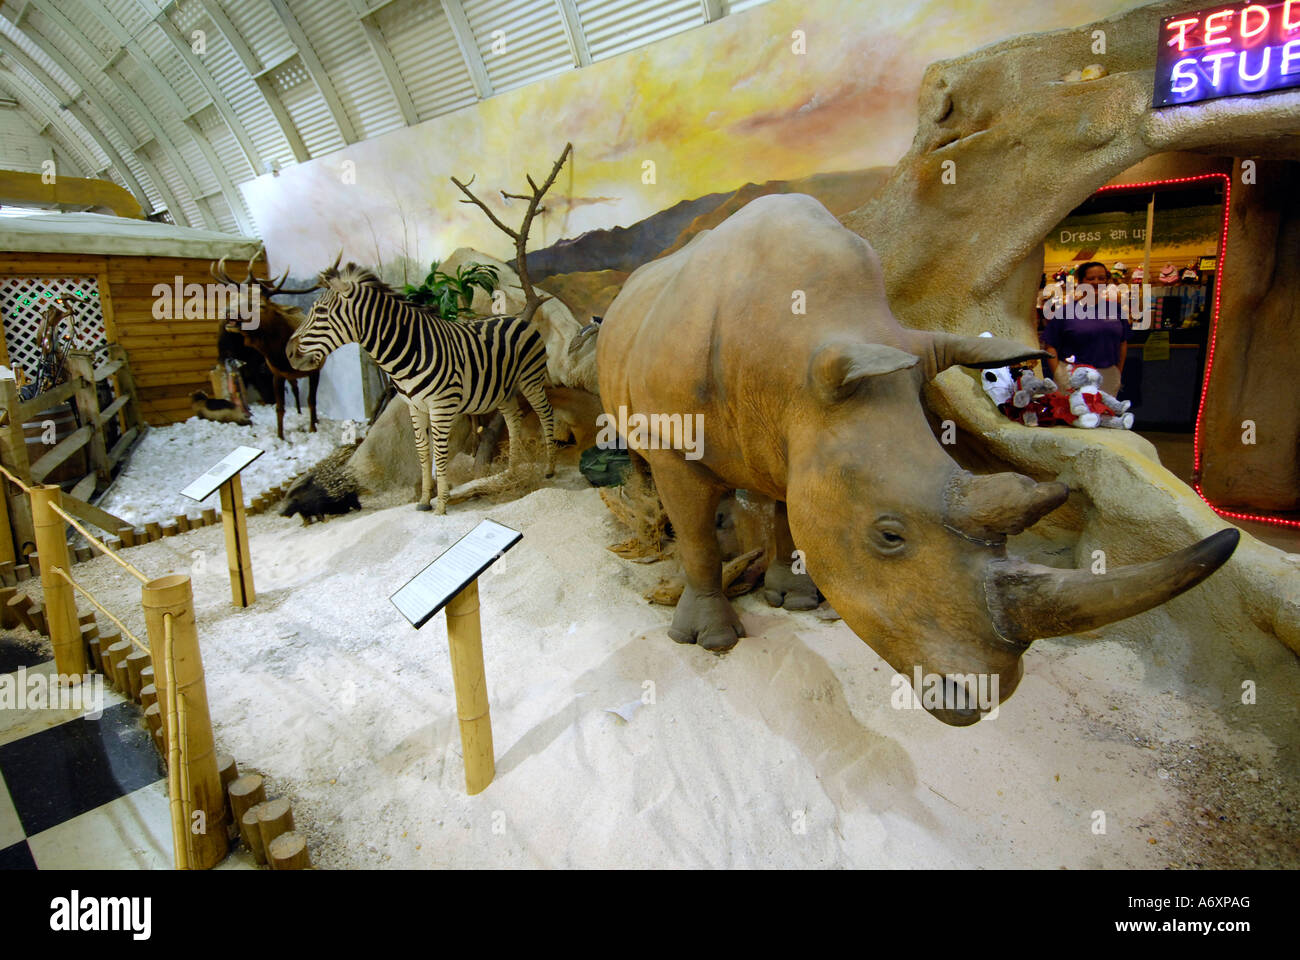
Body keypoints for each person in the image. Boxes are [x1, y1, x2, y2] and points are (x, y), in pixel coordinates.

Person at [1042, 260, 1129, 396]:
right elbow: (1050, 346)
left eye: (1101, 278)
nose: (1096, 282)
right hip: (1073, 376)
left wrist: (1117, 371)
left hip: (1108, 376)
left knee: (1105, 416)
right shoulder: (1065, 311)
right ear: (1081, 282)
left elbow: (1123, 343)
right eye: (1091, 278)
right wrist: (1059, 375)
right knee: (1073, 416)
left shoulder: (1116, 310)